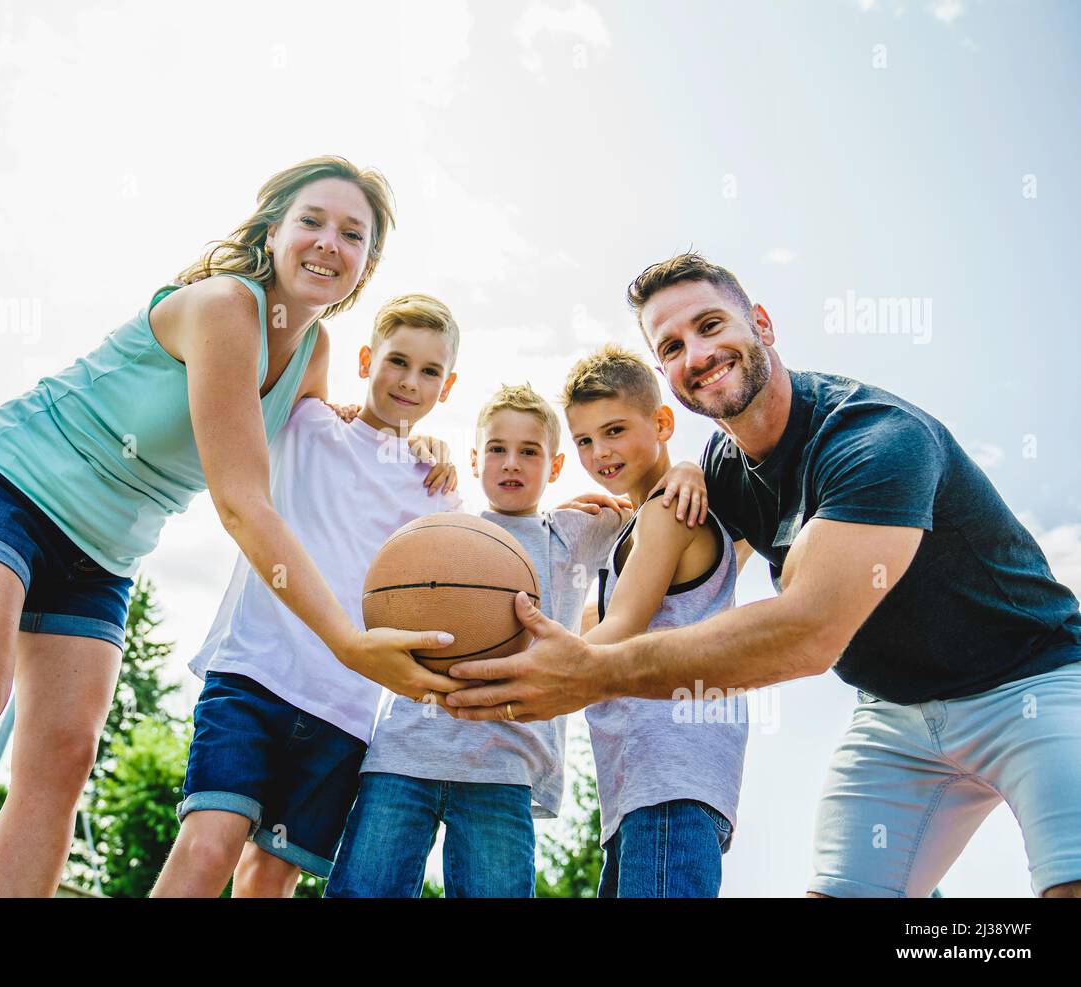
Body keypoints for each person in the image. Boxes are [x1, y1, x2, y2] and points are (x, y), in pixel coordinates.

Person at [0, 157, 461, 898]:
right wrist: (347, 640)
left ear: (367, 264)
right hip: (11, 486)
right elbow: (243, 503)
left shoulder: (315, 351)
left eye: (353, 233)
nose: (328, 243)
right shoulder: (223, 307)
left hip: (104, 552)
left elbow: (325, 436)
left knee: (62, 757)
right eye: (311, 220)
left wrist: (411, 443)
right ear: (274, 230)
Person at [446, 252, 1081, 899]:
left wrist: (578, 671)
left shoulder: (875, 440)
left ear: (763, 325)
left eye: (711, 325)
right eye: (671, 344)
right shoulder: (714, 470)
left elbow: (807, 632)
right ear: (666, 374)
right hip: (896, 710)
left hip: (1030, 682)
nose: (696, 352)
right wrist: (683, 472)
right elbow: (673, 548)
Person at [151, 294, 464, 897]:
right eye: (397, 361)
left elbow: (470, 584)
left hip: (344, 708)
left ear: (447, 387)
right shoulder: (306, 422)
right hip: (252, 674)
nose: (410, 381)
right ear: (367, 359)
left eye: (430, 372)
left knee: (271, 877)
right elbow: (274, 363)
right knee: (209, 842)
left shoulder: (438, 495)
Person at [324, 383, 630, 898]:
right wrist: (356, 414)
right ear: (475, 459)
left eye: (529, 452)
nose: (511, 463)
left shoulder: (573, 533)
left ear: (554, 467)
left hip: (503, 765)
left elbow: (661, 506)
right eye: (497, 449)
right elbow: (370, 467)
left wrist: (682, 474)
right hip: (405, 752)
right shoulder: (440, 526)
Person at [563, 345, 747, 898]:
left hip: (669, 783)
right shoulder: (642, 519)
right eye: (584, 441)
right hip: (636, 791)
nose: (600, 452)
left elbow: (619, 629)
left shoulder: (669, 511)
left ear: (662, 422)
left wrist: (514, 676)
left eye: (614, 430)